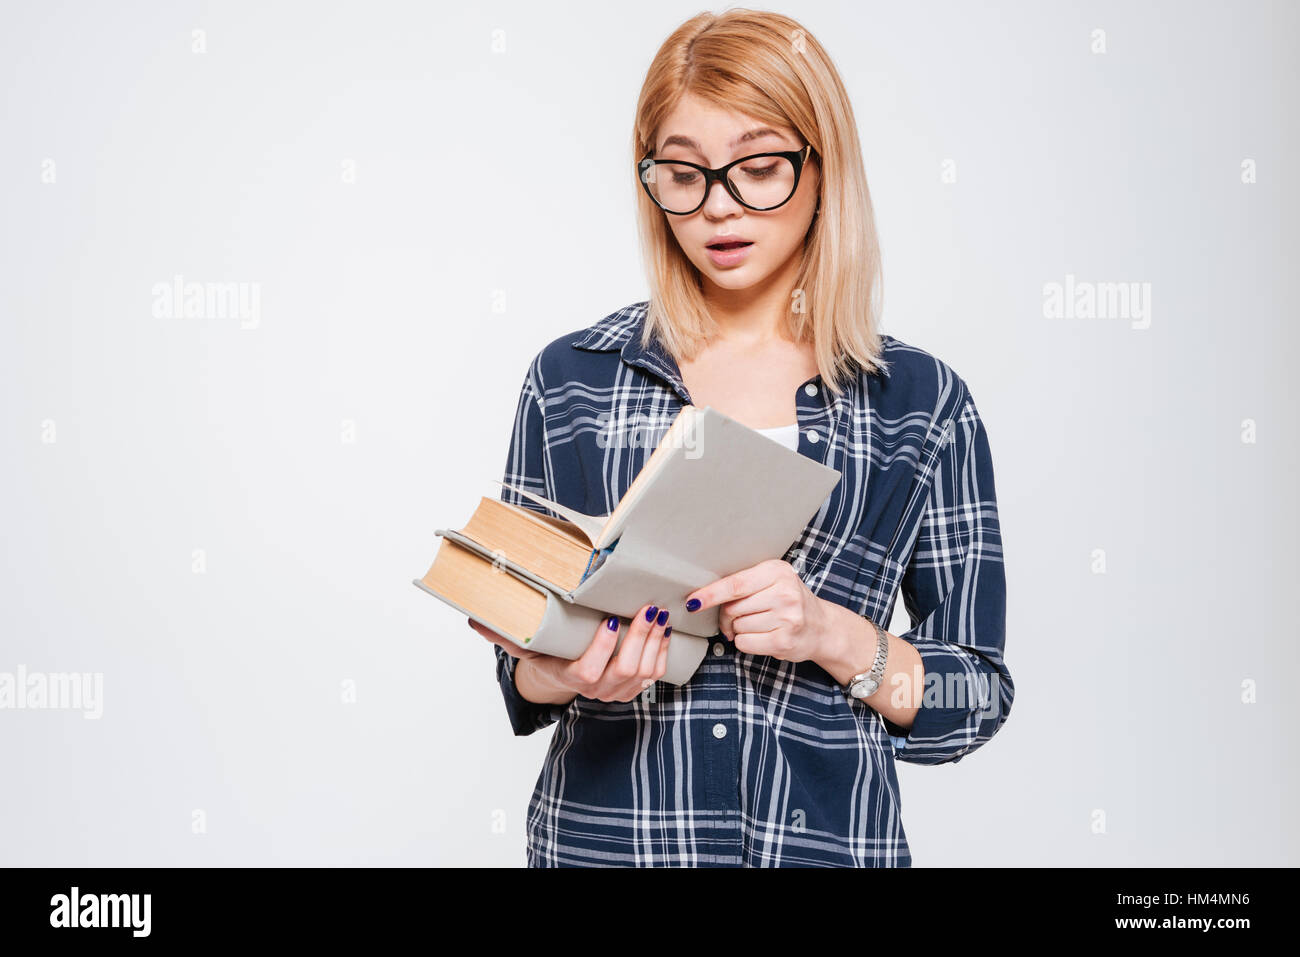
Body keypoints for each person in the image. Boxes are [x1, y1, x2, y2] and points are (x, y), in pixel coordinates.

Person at [468, 8, 1013, 867]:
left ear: (822, 165)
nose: (719, 208)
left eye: (758, 168)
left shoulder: (921, 402)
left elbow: (971, 696)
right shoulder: (574, 380)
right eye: (683, 175)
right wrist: (567, 671)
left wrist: (830, 632)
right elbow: (521, 676)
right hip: (609, 847)